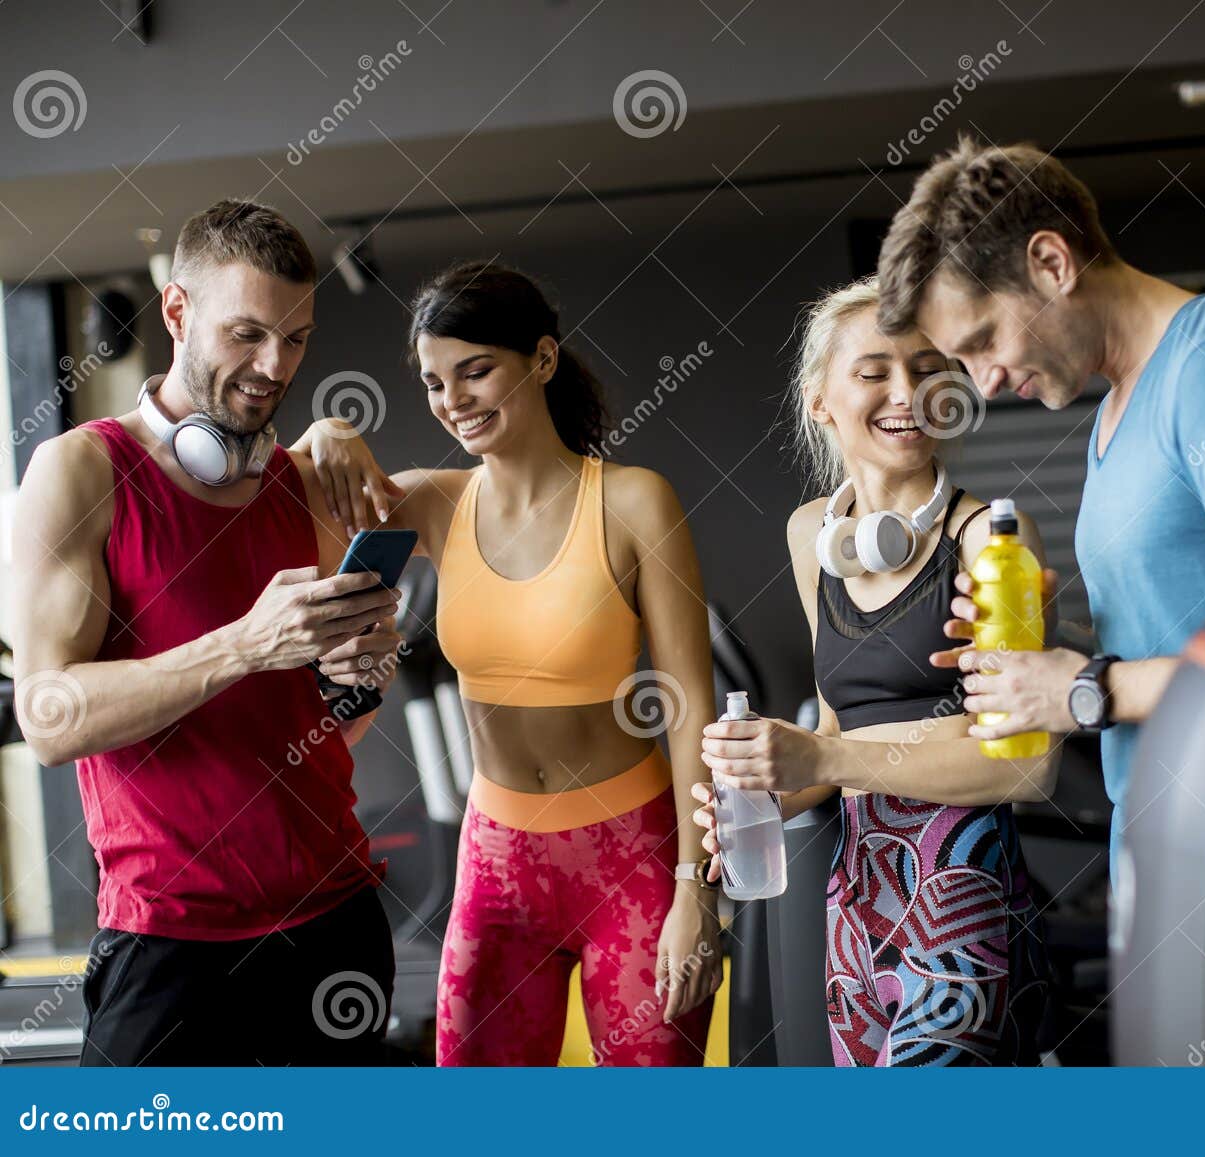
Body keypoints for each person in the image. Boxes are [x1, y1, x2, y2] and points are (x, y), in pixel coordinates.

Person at [704, 137, 1205, 894]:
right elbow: (1191, 625)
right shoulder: (1118, 410)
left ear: (1051, 263)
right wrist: (1050, 643)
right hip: (1167, 833)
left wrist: (1082, 690)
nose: (983, 379)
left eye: (980, 342)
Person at [295, 261, 720, 1066]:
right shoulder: (431, 502)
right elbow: (279, 503)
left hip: (631, 854)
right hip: (497, 858)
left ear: (544, 359)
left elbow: (691, 701)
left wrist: (698, 886)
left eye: (476, 370)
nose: (454, 399)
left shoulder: (634, 501)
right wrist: (327, 434)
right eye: (433, 381)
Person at [10, 199, 403, 1066]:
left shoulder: (305, 479)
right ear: (179, 312)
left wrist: (359, 674)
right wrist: (245, 643)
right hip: (170, 945)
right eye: (248, 333)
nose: (274, 366)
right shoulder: (81, 470)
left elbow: (336, 725)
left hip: (334, 923)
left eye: (295, 339)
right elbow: (46, 717)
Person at [694, 277, 1056, 1065]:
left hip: (964, 886)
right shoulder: (809, 537)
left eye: (929, 368)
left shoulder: (994, 539)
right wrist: (767, 789)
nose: (909, 393)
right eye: (875, 372)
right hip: (857, 889)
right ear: (820, 399)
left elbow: (1027, 764)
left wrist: (824, 755)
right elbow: (835, 728)